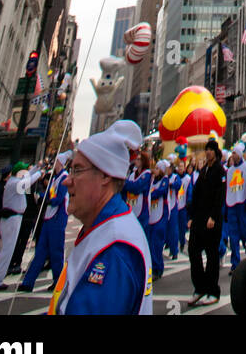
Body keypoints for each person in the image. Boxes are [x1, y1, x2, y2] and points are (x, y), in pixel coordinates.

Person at [48, 120, 152, 315]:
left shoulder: (115, 248)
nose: (68, 181)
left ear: (105, 175)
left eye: (77, 170)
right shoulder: (103, 229)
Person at [20, 151, 71, 293]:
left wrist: (46, 200)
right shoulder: (56, 178)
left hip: (57, 218)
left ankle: (58, 282)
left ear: (60, 163)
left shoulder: (64, 178)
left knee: (56, 252)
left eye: (56, 161)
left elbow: (58, 198)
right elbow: (49, 193)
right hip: (49, 218)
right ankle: (28, 282)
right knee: (41, 251)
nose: (54, 164)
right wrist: (41, 196)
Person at [0, 162, 42, 290]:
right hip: (12, 220)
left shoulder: (14, 181)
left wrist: (37, 167)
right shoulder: (14, 184)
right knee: (7, 251)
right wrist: (40, 173)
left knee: (7, 250)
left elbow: (26, 177)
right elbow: (27, 182)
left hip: (13, 219)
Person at [187, 138, 224, 306]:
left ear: (216, 152)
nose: (208, 152)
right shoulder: (203, 171)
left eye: (211, 149)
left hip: (211, 220)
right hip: (199, 218)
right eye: (206, 149)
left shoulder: (220, 171)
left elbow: (220, 196)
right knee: (193, 251)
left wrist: (214, 217)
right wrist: (191, 216)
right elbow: (195, 194)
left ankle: (212, 290)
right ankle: (200, 287)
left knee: (211, 255)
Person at [224, 143, 246, 270]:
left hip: (242, 204)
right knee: (233, 237)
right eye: (232, 153)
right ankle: (235, 264)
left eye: (235, 153)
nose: (233, 155)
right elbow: (227, 189)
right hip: (232, 205)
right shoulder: (229, 171)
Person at [147, 159, 170, 280]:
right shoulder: (152, 182)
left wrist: (153, 192)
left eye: (157, 168)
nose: (154, 171)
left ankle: (158, 268)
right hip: (152, 215)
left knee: (157, 243)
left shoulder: (164, 180)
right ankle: (154, 267)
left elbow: (160, 192)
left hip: (161, 215)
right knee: (151, 243)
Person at [122, 148, 152, 234]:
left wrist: (126, 182)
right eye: (137, 159)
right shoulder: (132, 174)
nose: (136, 161)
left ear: (144, 161)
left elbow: (136, 187)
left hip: (142, 210)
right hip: (131, 206)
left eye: (139, 159)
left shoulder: (147, 174)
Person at [166, 159, 181, 260]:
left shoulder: (175, 177)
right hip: (164, 207)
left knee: (173, 229)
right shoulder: (163, 178)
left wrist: (171, 185)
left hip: (173, 206)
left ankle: (174, 250)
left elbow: (178, 185)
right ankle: (168, 245)